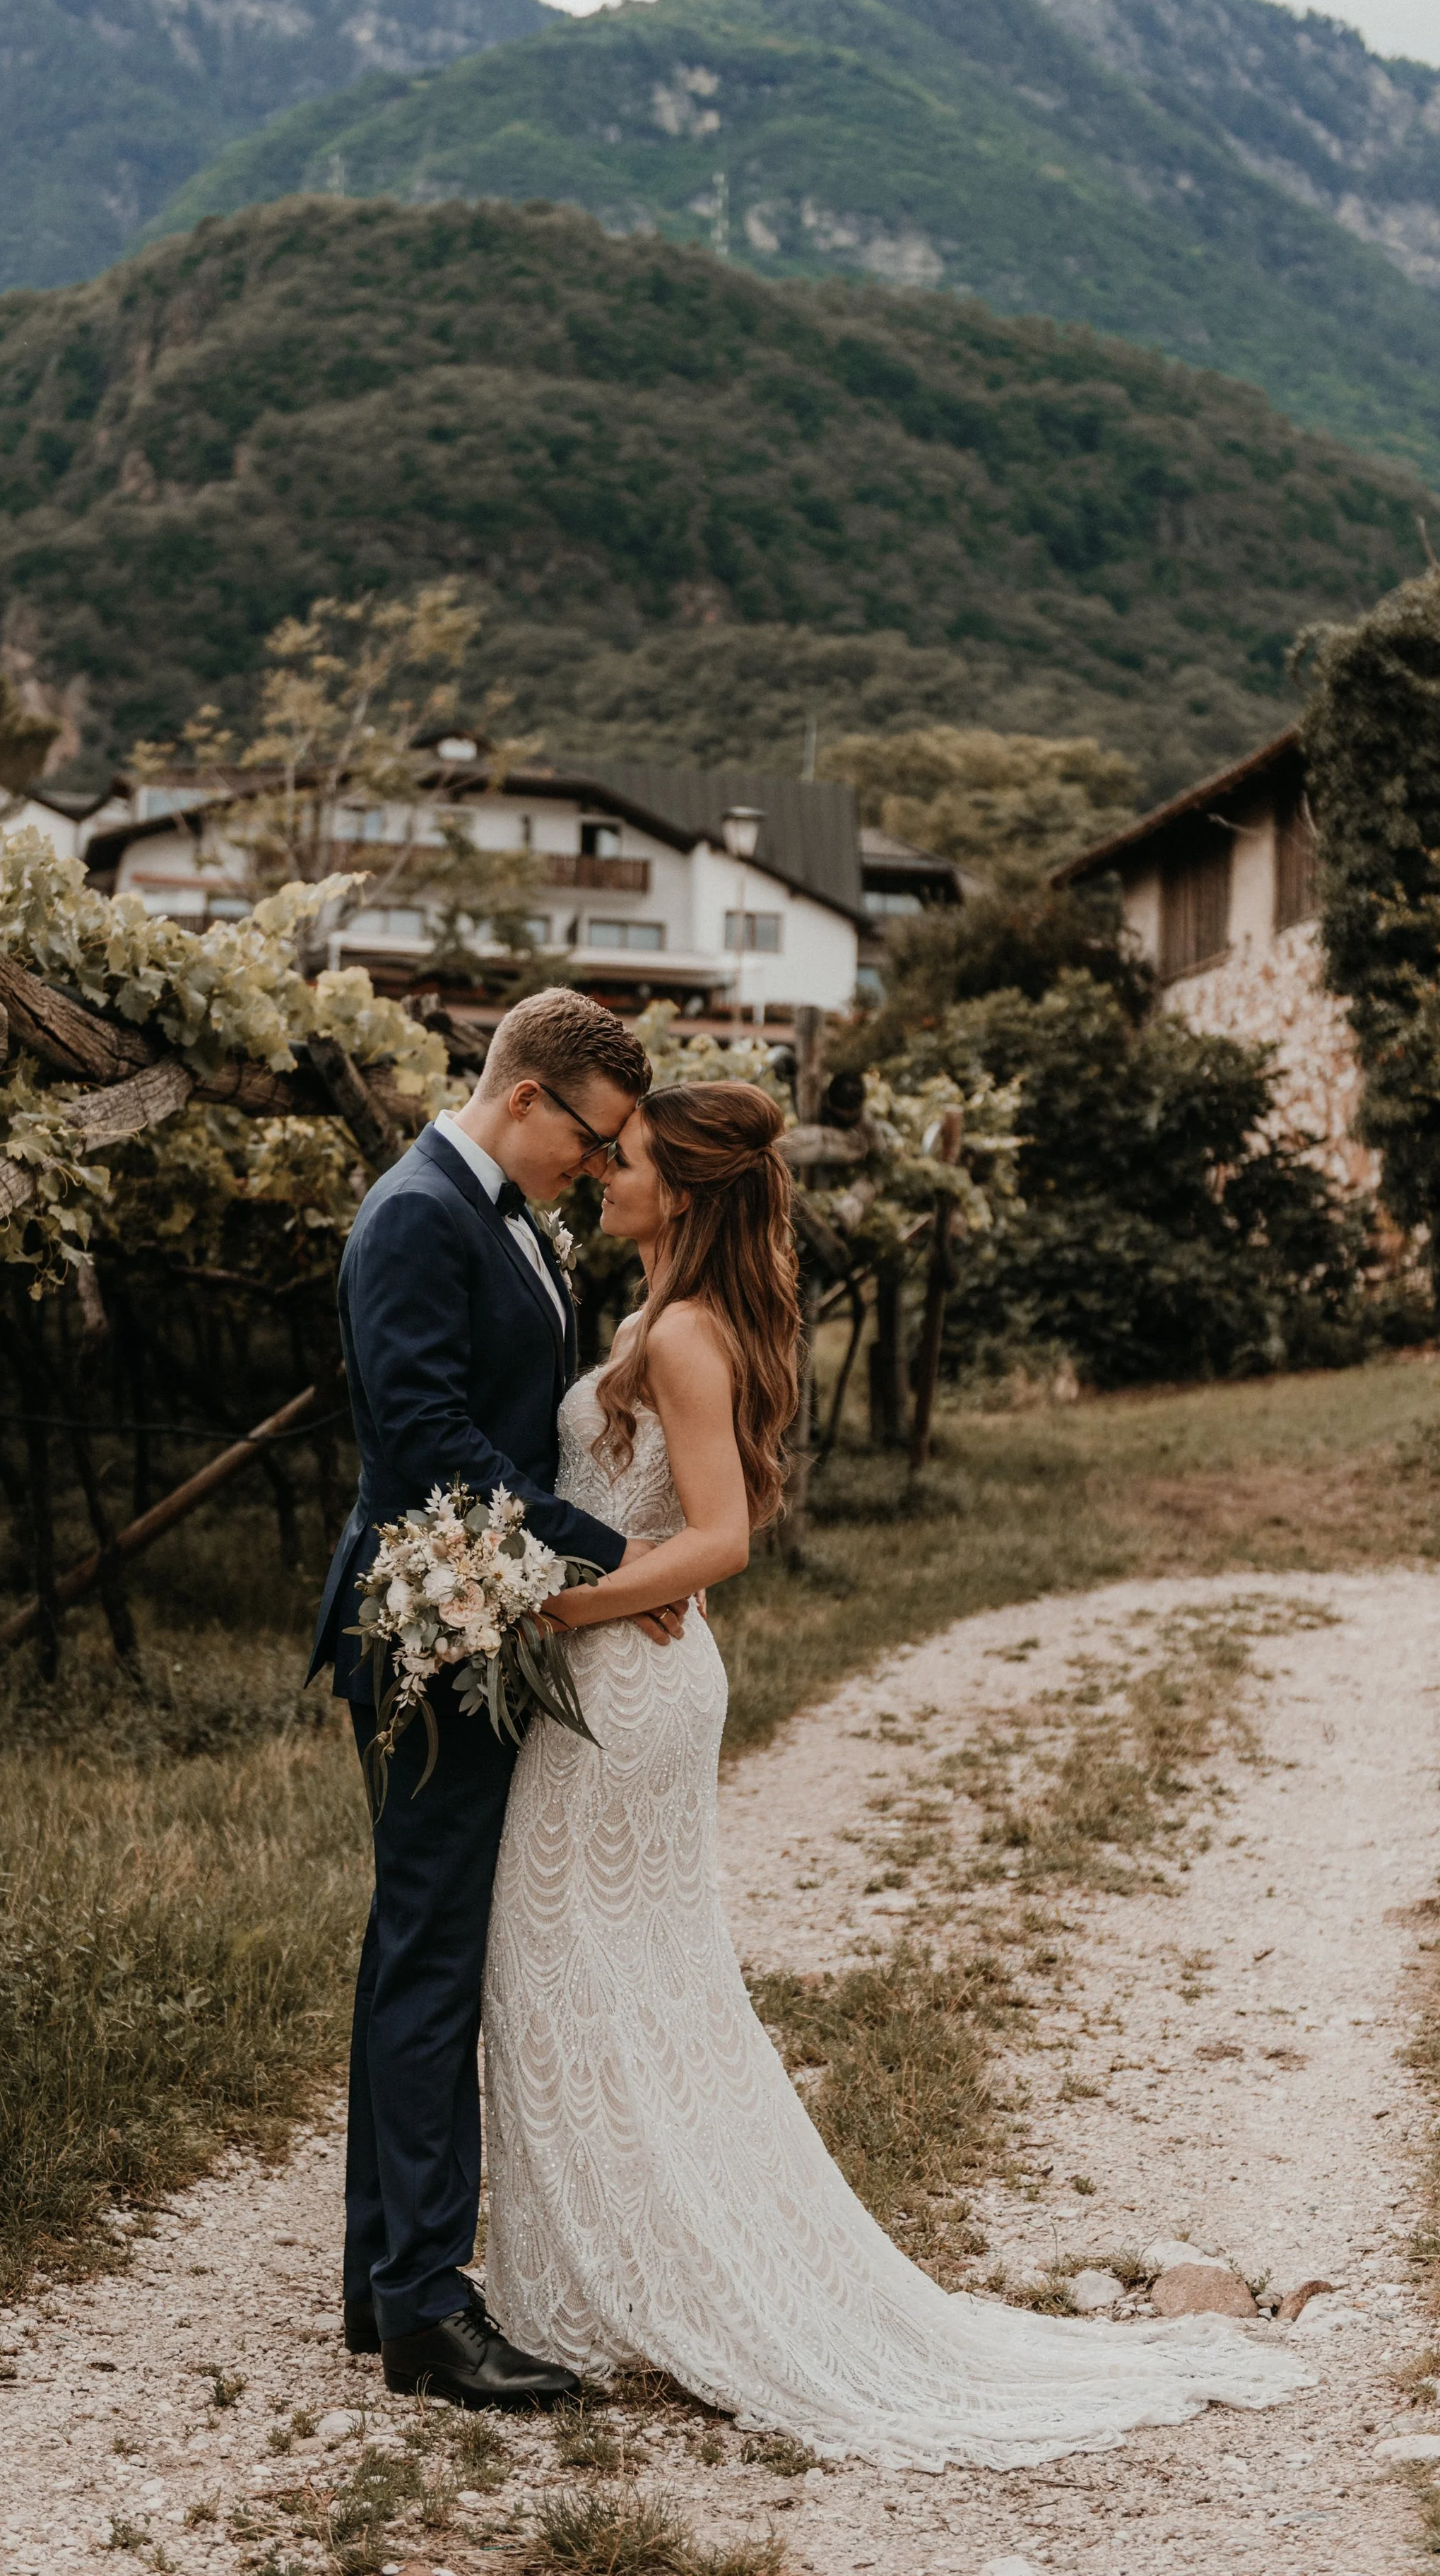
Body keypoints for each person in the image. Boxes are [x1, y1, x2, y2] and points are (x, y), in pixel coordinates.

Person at [480, 1077, 1309, 2466]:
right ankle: (609, 2269)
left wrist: (551, 1603)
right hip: (616, 1676)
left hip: (625, 1688)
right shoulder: (650, 1319)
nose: (601, 1174)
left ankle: (646, 2279)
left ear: (678, 1190)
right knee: (597, 1977)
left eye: (620, 1160)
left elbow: (721, 1539)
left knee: (585, 1968)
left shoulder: (680, 1336)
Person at [309, 988, 686, 2410]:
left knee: (424, 1941)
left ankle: (382, 2281)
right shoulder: (417, 1213)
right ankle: (422, 2308)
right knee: (432, 1952)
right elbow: (426, 1443)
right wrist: (616, 1554)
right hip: (426, 1624)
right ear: (526, 1096)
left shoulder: (508, 1219)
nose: (594, 1173)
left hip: (477, 1610)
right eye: (588, 1143)